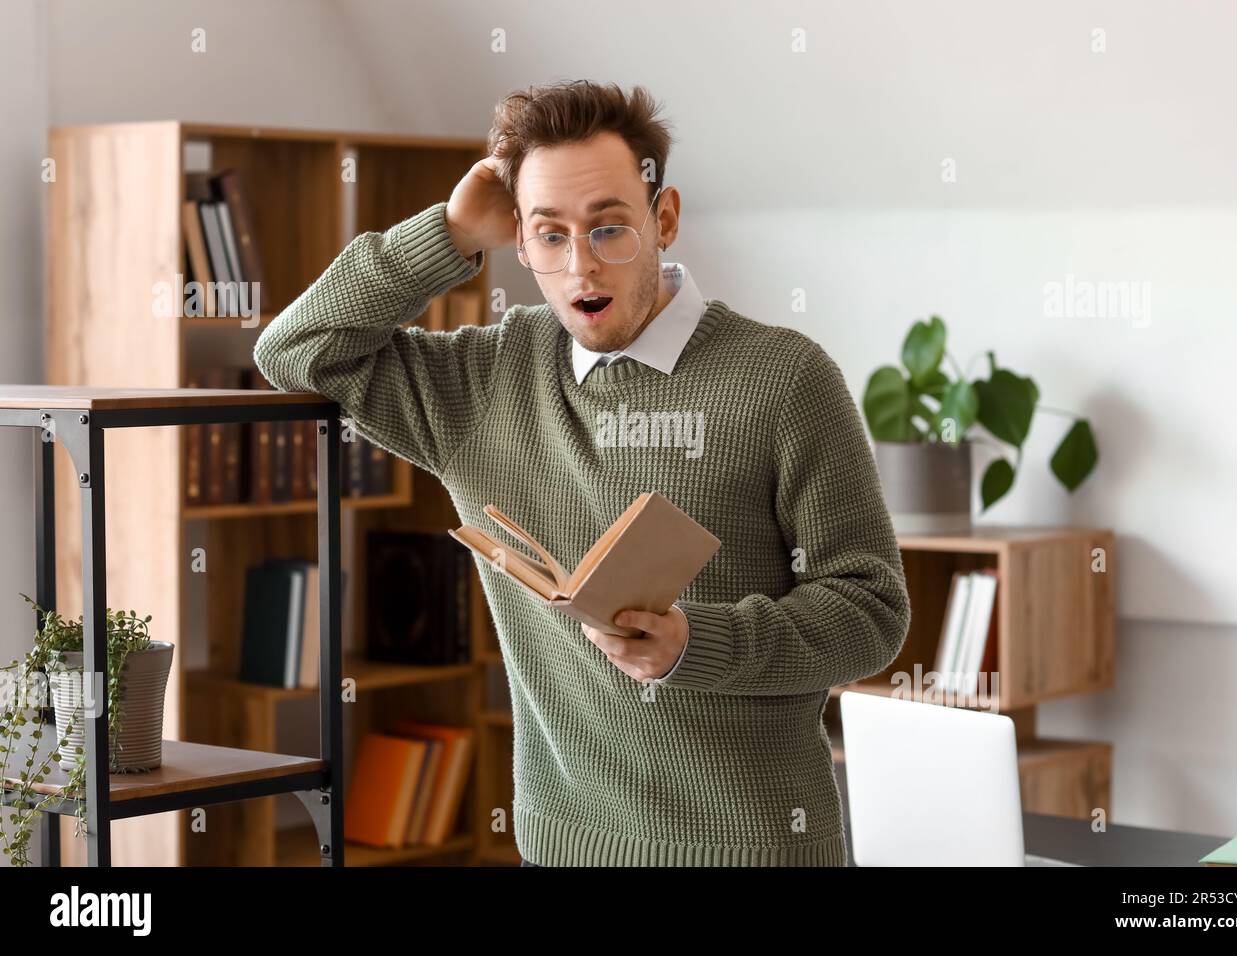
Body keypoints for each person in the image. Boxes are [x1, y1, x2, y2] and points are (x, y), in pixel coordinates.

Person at [253, 79, 911, 867]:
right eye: (551, 236)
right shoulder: (484, 378)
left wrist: (697, 644)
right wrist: (452, 232)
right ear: (520, 244)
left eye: (609, 229)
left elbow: (871, 613)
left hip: (757, 848)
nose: (582, 268)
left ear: (663, 218)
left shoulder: (785, 379)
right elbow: (296, 351)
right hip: (564, 848)